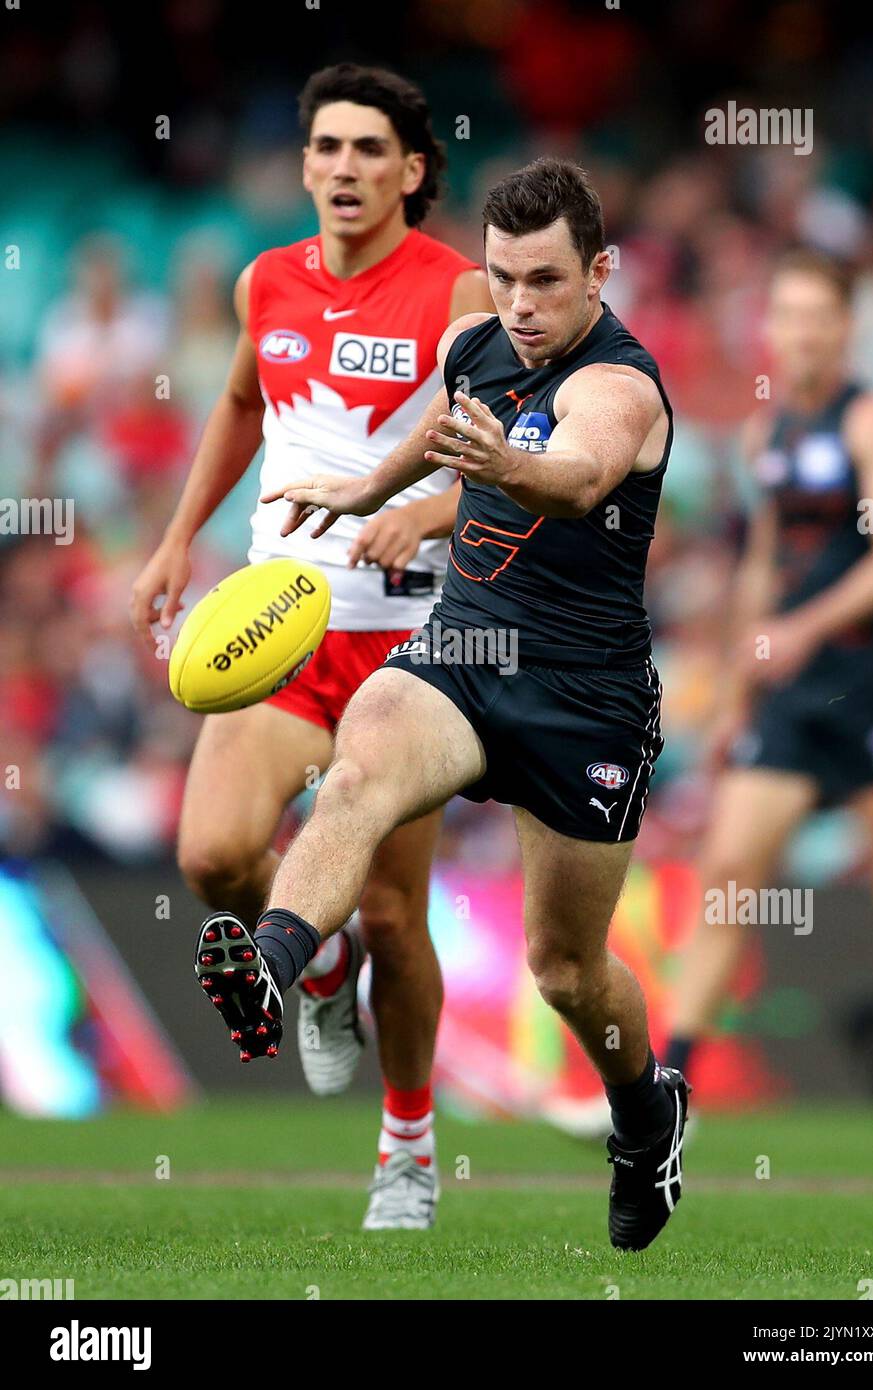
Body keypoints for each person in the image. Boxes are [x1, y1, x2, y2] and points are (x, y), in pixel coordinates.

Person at [193, 156, 690, 1252]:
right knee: (361, 762)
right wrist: (369, 490)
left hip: (583, 697)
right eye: (503, 277)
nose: (518, 304)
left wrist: (504, 461)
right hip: (461, 650)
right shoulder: (479, 345)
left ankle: (645, 1107)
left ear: (599, 272)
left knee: (563, 968)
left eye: (546, 281)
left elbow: (575, 478)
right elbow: (442, 428)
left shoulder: (621, 386)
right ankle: (273, 964)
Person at [131, 63, 493, 1230]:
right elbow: (240, 404)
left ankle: (407, 1147)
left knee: (394, 913)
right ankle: (318, 969)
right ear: (304, 166)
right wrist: (179, 537)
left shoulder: (457, 294)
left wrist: (425, 511)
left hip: (409, 640)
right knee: (214, 857)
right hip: (281, 622)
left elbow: (508, 445)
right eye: (327, 149)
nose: (344, 168)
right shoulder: (265, 282)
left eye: (368, 151)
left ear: (411, 171)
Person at [665, 249, 873, 1084]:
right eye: (788, 314)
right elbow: (762, 568)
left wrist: (808, 627)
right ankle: (669, 1086)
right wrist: (736, 695)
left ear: (845, 325)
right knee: (730, 876)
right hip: (787, 698)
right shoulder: (766, 433)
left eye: (818, 314)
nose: (801, 332)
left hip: (868, 688)